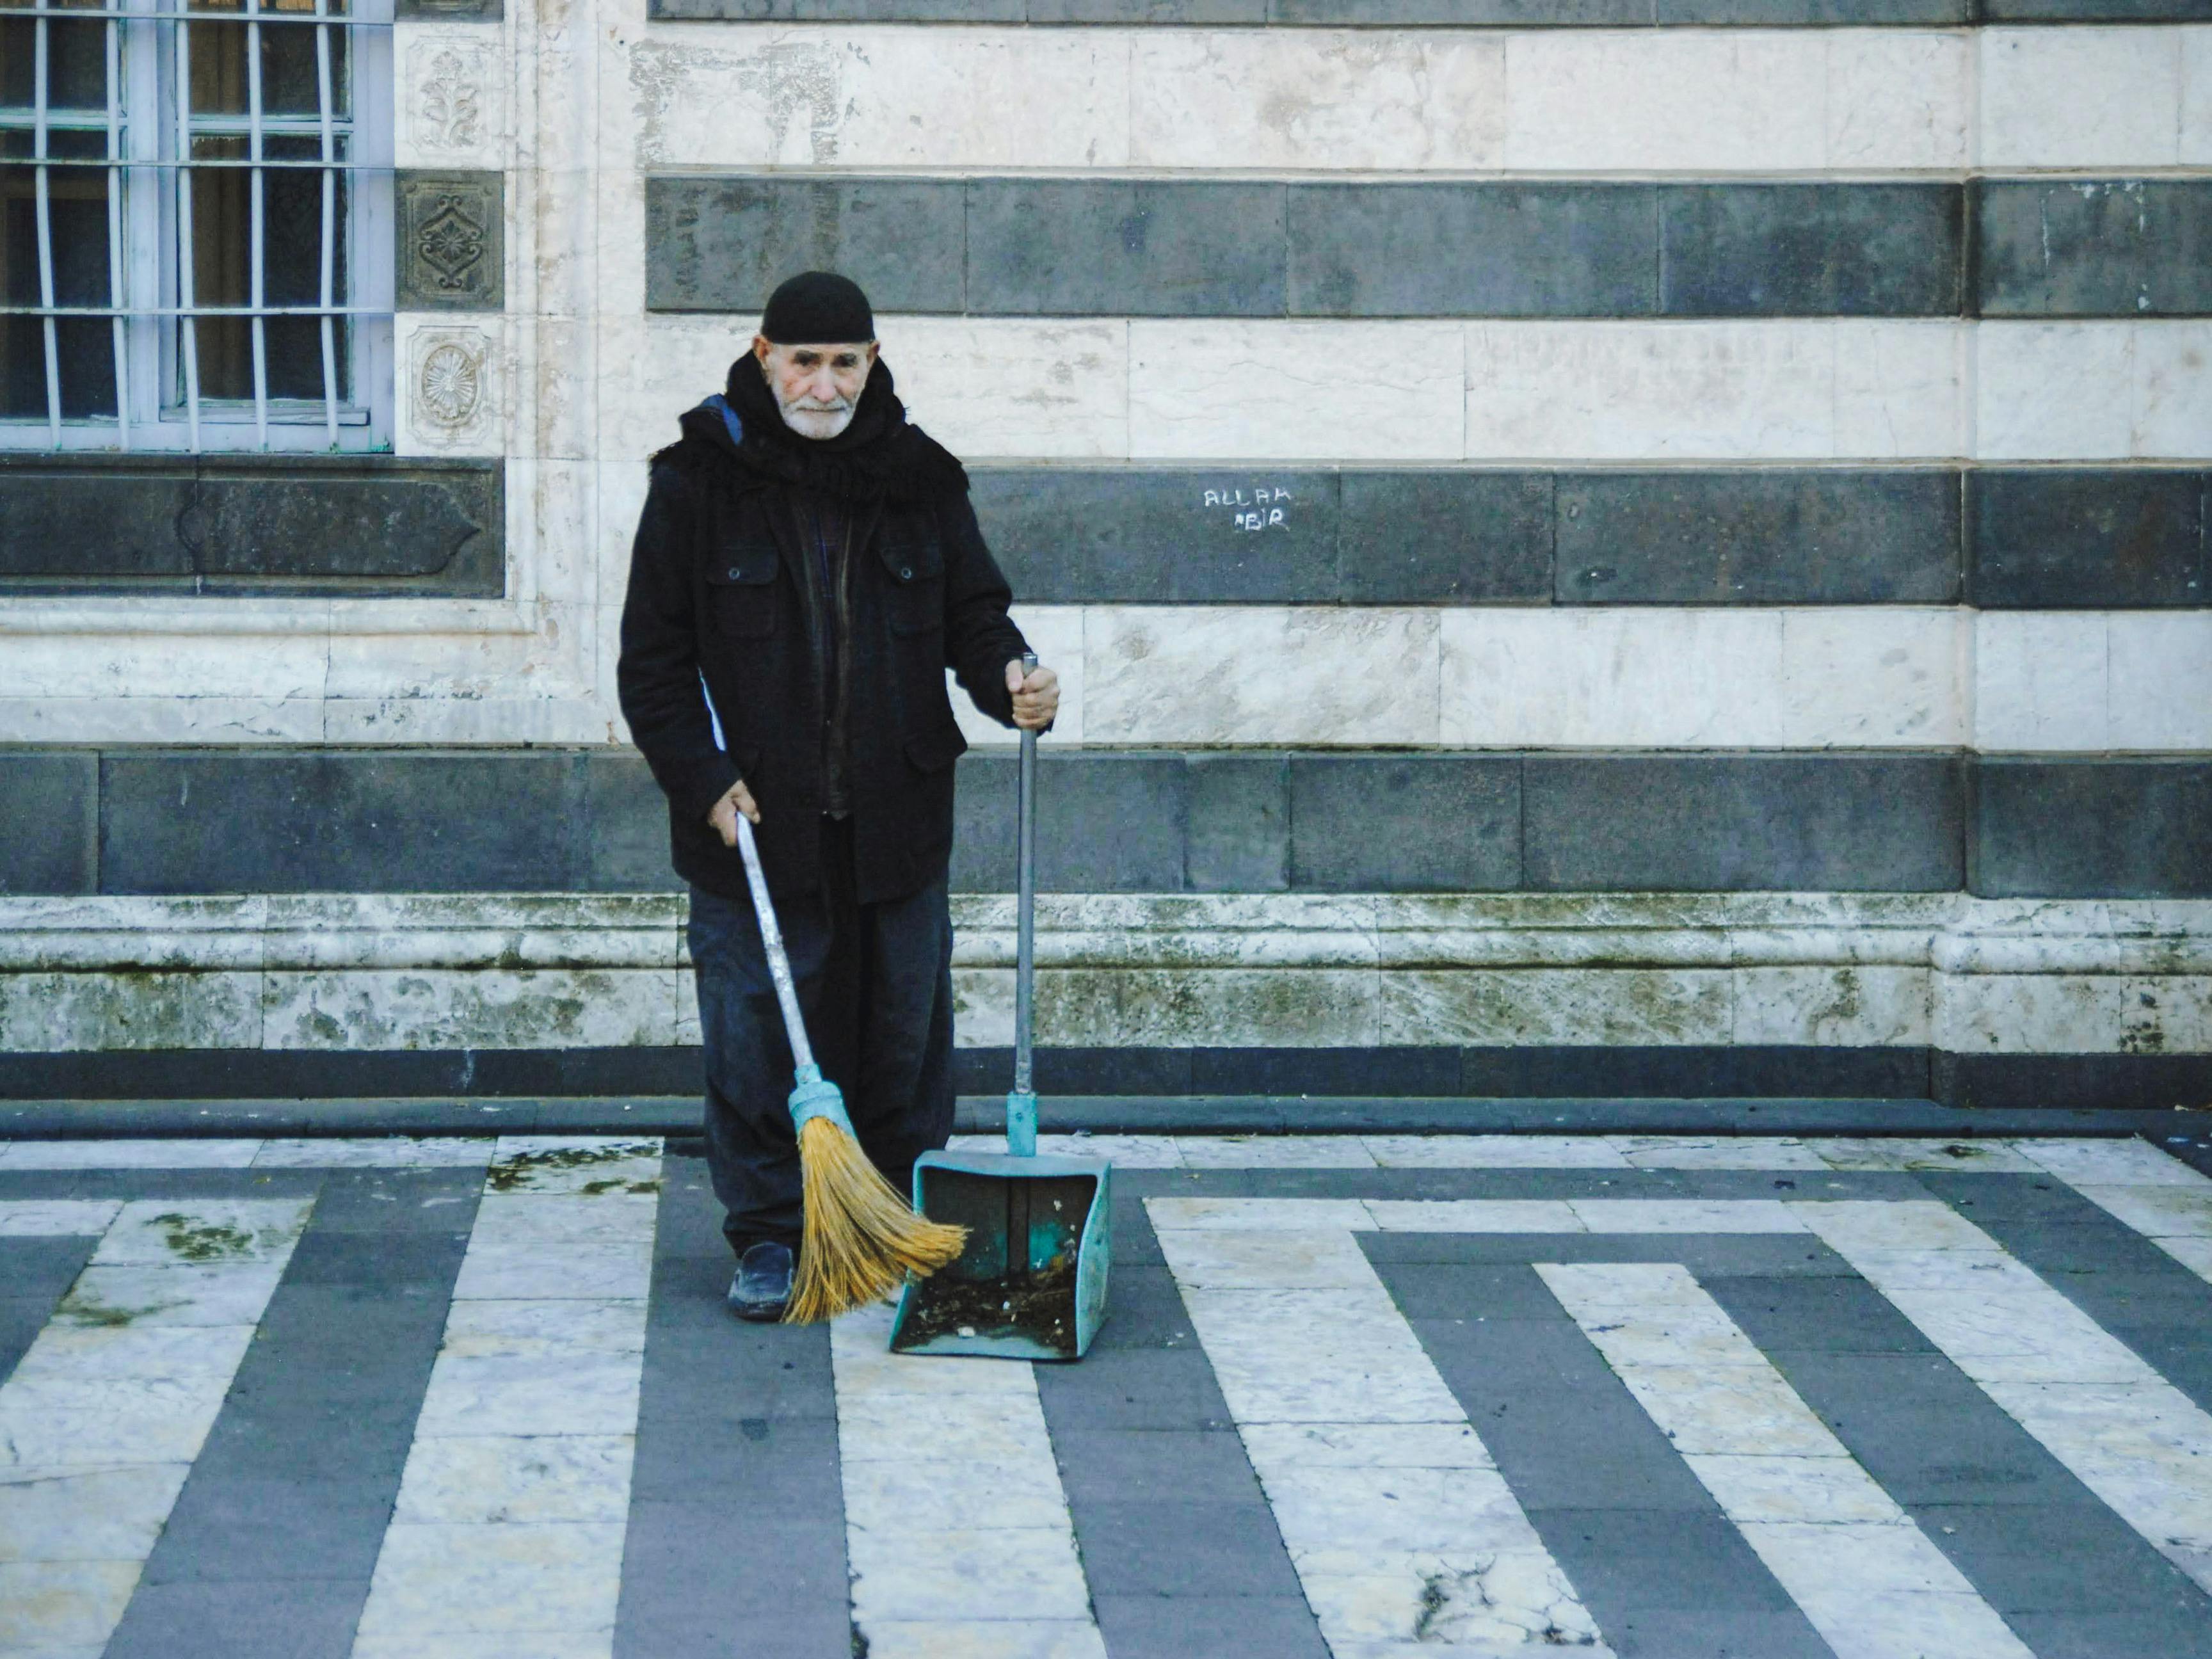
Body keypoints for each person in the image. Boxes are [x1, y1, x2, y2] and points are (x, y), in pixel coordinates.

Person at [617, 271, 1059, 1321]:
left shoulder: (921, 476)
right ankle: (773, 1234)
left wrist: (1011, 676)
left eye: (844, 364)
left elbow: (975, 615)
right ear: (764, 356)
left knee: (903, 1033)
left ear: (873, 363)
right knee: (757, 1040)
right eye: (805, 362)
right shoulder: (696, 481)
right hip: (751, 823)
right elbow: (654, 664)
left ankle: (895, 1214)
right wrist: (702, 779)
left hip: (895, 814)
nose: (825, 385)